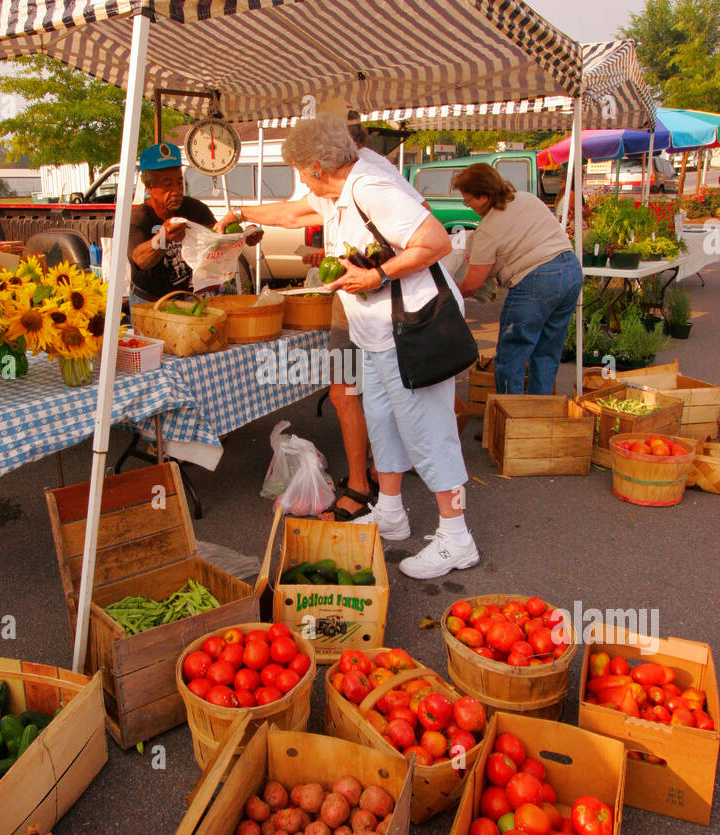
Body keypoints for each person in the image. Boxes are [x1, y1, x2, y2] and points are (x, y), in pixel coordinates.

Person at [217, 113, 479, 579]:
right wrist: (242, 213)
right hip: (375, 333)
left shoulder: (369, 186)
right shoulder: (337, 189)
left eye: (300, 172)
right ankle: (392, 515)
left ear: (316, 166)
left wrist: (376, 275)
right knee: (382, 422)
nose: (301, 182)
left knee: (428, 432)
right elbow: (294, 212)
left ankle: (457, 538)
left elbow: (434, 241)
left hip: (412, 330)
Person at [456, 162, 583, 395]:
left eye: (468, 200)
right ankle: (536, 415)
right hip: (570, 270)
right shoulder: (526, 198)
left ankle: (509, 417)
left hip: (536, 279)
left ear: (483, 195)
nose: (469, 206)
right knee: (547, 351)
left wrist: (450, 295)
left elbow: (473, 283)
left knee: (511, 355)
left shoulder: (488, 228)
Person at [127, 142, 217, 303]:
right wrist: (164, 236)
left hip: (186, 298)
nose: (176, 191)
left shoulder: (194, 209)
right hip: (150, 303)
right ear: (149, 187)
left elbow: (218, 234)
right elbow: (141, 260)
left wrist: (243, 235)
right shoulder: (138, 218)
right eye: (168, 185)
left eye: (179, 183)